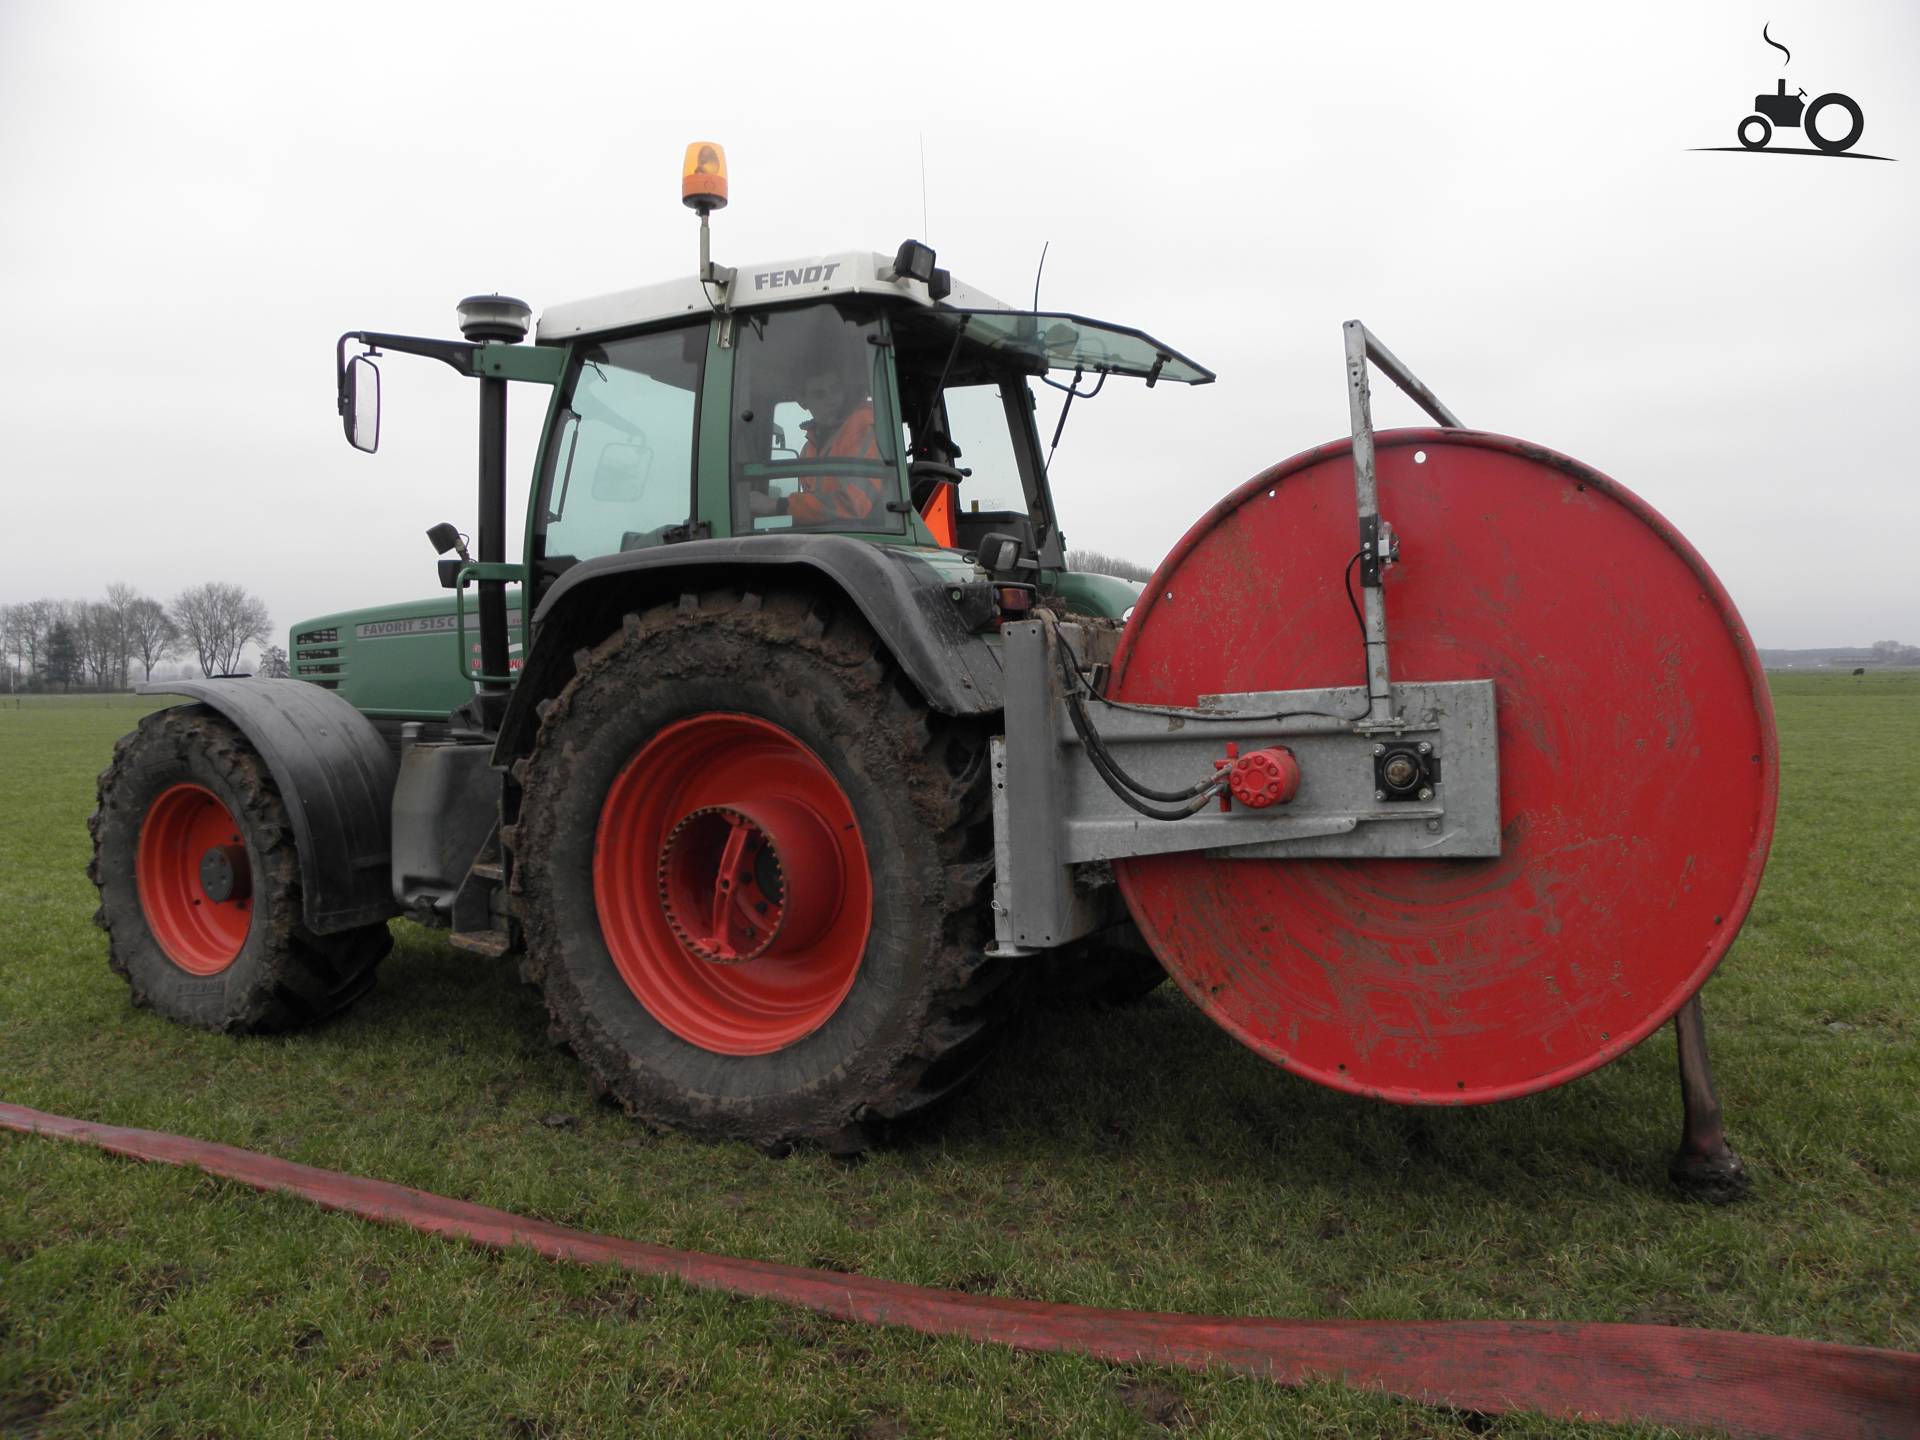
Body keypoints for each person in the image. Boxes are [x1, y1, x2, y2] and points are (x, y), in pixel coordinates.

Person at [785, 365, 885, 526]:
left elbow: (853, 505)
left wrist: (780, 506)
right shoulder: (808, 449)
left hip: (869, 539)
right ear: (802, 401)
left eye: (835, 390)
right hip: (830, 538)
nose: (831, 400)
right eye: (820, 394)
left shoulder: (863, 428)